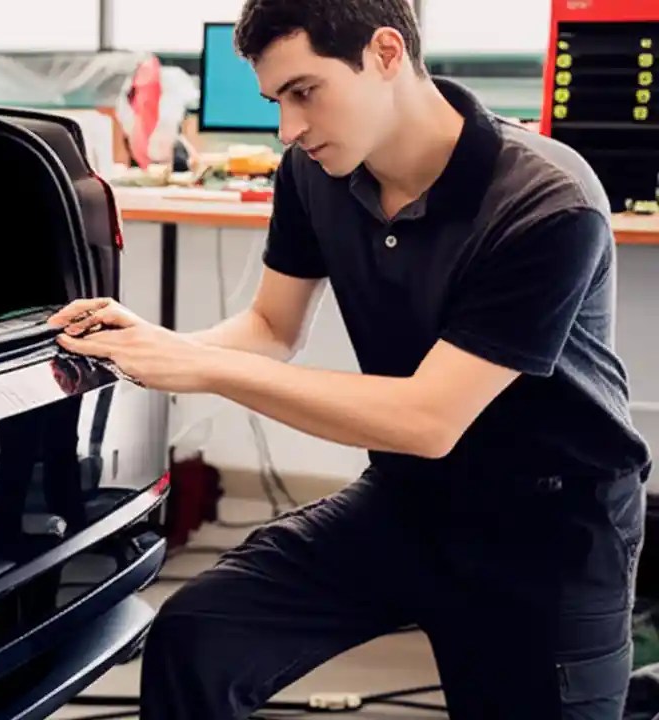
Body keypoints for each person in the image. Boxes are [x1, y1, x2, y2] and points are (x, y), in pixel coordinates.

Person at [46, 0, 653, 717]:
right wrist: (151, 345)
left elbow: (429, 419)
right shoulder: (314, 172)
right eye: (277, 101)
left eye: (305, 92)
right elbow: (272, 327)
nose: (288, 129)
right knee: (197, 635)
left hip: (546, 534)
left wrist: (199, 368)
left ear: (386, 53)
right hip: (410, 501)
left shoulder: (545, 202)